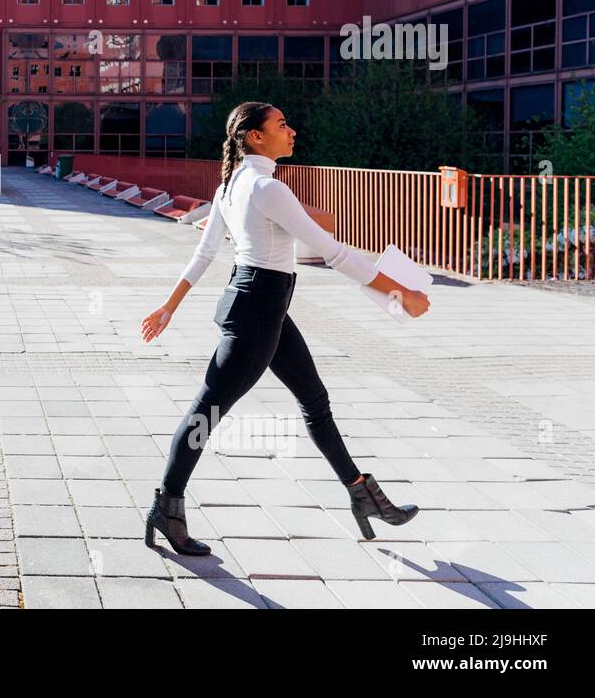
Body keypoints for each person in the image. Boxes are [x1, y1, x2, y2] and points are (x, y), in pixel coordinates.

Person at [139, 102, 429, 555]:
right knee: (206, 412)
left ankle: (361, 493)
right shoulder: (266, 188)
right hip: (257, 313)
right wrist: (403, 293)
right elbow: (334, 253)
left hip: (262, 306)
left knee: (314, 399)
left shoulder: (232, 186)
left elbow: (204, 254)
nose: (291, 130)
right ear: (255, 136)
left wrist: (168, 308)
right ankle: (167, 507)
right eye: (281, 124)